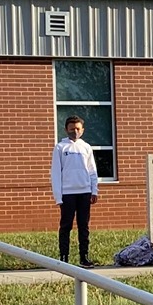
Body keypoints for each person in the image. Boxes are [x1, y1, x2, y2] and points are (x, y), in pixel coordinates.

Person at [50, 114, 99, 266]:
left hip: (84, 192)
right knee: (66, 225)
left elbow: (92, 170)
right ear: (66, 129)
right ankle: (64, 258)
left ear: (82, 130)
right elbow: (56, 173)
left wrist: (94, 190)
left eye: (77, 129)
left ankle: (84, 257)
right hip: (67, 194)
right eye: (72, 129)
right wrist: (58, 197)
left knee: (83, 226)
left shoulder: (86, 147)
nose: (75, 132)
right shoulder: (60, 147)